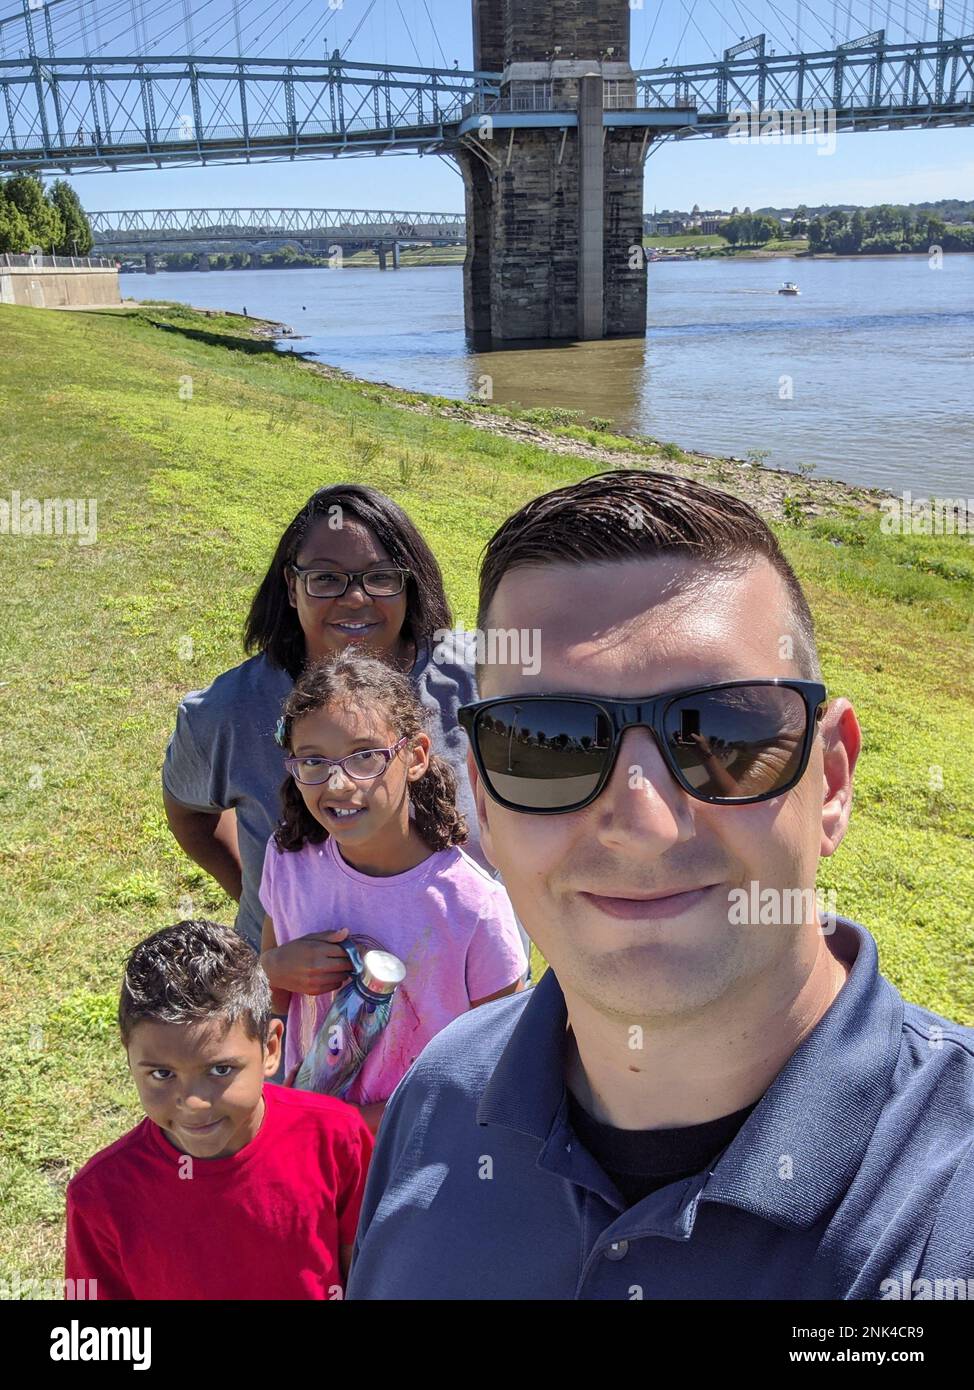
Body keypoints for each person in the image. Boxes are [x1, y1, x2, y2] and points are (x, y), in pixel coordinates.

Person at [346, 468, 974, 1300]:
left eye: (723, 730)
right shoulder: (441, 1092)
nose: (643, 823)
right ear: (483, 808)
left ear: (832, 777)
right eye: (546, 741)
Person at [162, 484, 505, 956]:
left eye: (380, 577)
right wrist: (259, 895)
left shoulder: (484, 679)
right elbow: (187, 809)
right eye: (325, 579)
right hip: (300, 996)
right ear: (291, 585)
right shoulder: (227, 712)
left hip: (463, 982)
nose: (356, 599)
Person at [260, 647, 527, 1136]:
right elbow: (265, 1003)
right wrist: (275, 970)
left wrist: (359, 1125)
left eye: (365, 757)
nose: (338, 784)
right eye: (314, 761)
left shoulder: (472, 906)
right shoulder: (290, 861)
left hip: (419, 1151)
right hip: (305, 1139)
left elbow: (499, 1069)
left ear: (417, 756)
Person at [64, 920, 373, 1300]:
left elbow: (365, 1271)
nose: (194, 1103)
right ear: (129, 1059)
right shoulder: (99, 1196)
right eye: (162, 1074)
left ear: (270, 1048)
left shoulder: (336, 1136)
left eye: (220, 1070)